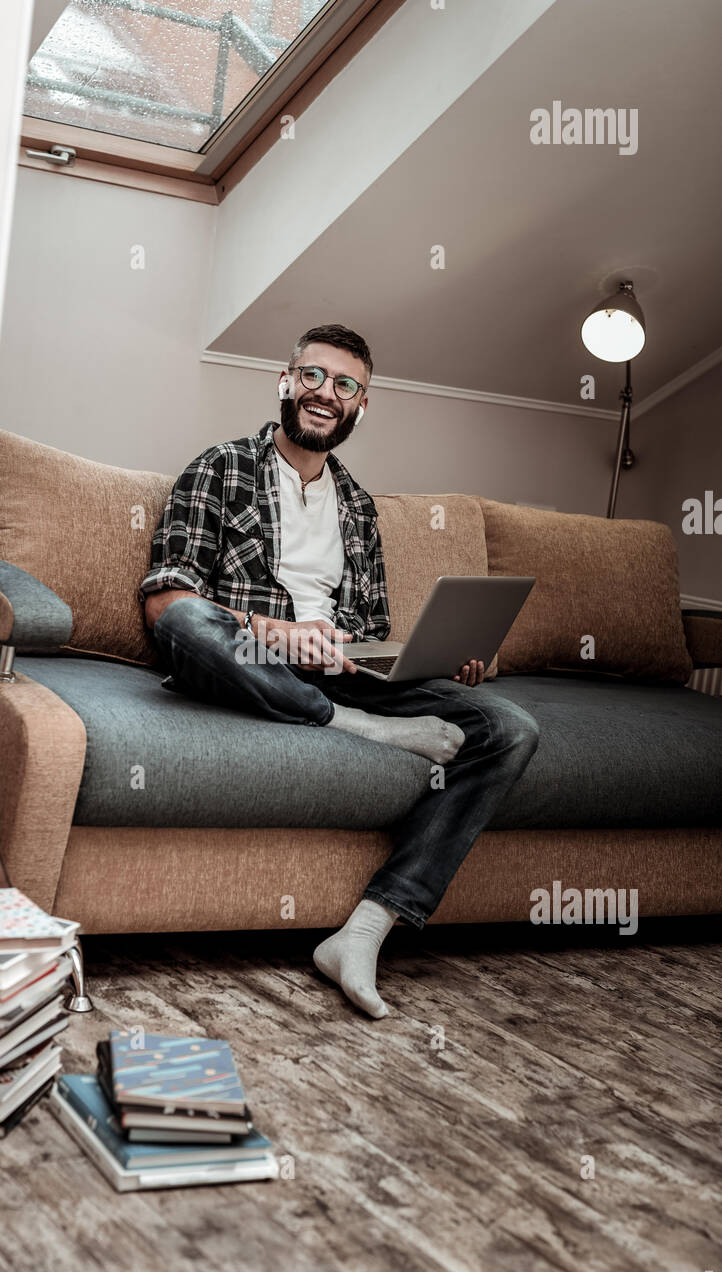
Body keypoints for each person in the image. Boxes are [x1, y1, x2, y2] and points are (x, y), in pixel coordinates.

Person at [140, 324, 540, 1018]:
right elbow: (166, 599)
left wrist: (440, 663)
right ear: (286, 382)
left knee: (509, 727)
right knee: (186, 623)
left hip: (340, 669)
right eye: (314, 376)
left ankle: (365, 930)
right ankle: (349, 726)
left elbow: (369, 631)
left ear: (362, 405)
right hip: (245, 658)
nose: (327, 393)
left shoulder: (357, 505)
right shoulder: (220, 467)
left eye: (345, 385)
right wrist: (275, 632)